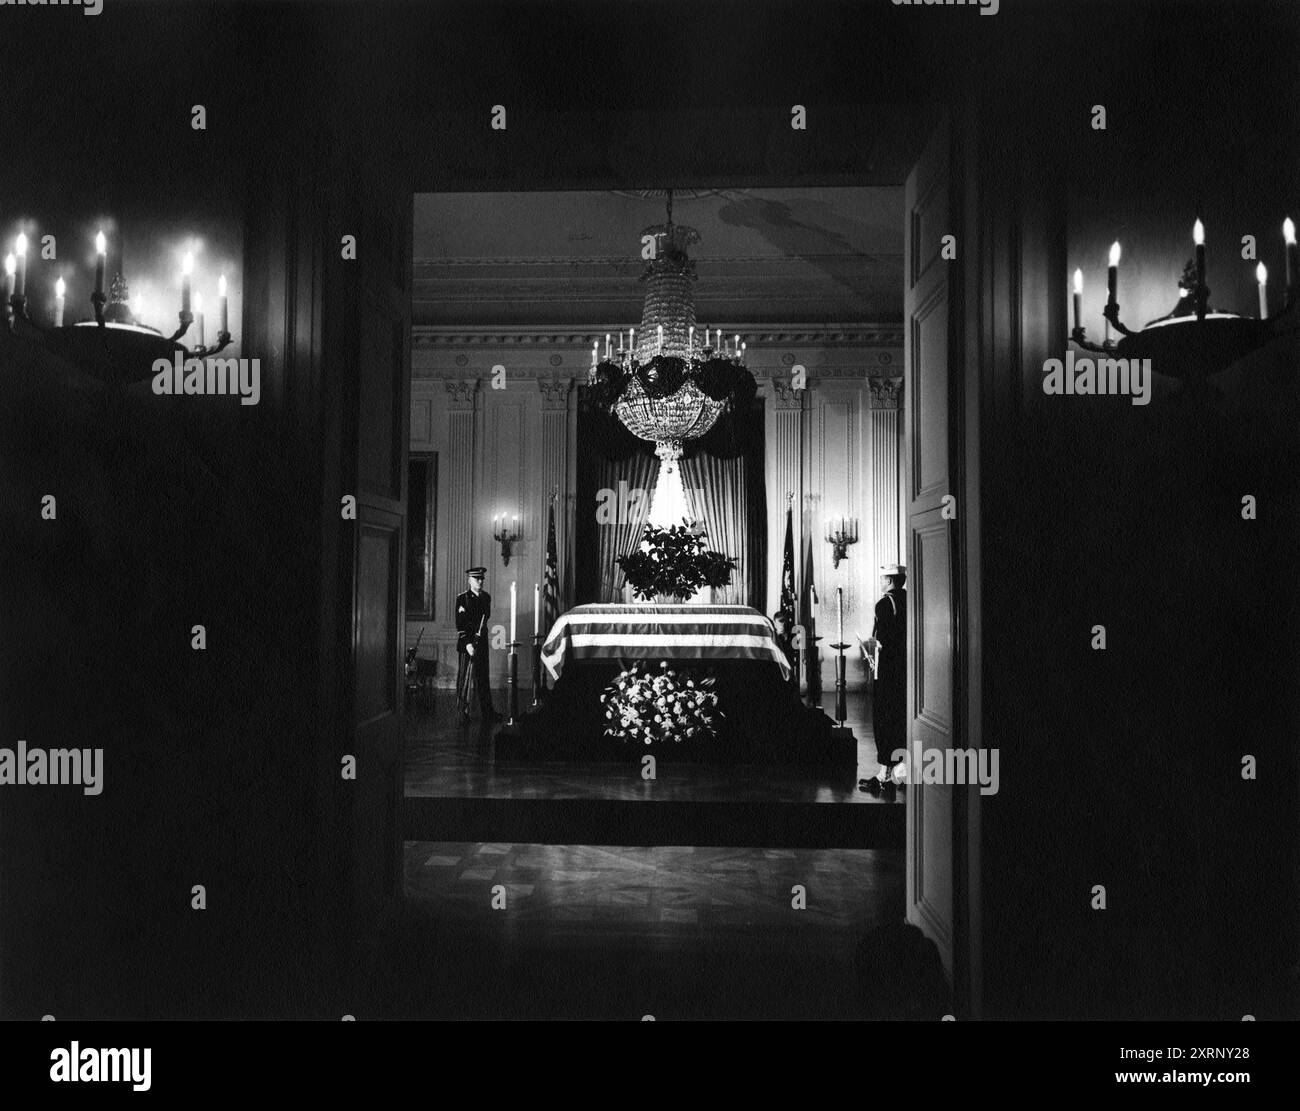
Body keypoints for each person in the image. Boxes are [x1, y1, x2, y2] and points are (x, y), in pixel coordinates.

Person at [862, 563, 907, 797]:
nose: (880, 584)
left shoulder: (884, 603)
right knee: (902, 717)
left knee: (883, 719)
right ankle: (901, 771)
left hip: (887, 672)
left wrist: (871, 653)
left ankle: (884, 774)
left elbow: (882, 640)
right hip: (907, 670)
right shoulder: (911, 599)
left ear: (889, 581)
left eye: (882, 580)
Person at [454, 566, 500, 723]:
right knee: (464, 679)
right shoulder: (462, 598)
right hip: (467, 644)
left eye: (481, 579)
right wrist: (468, 644)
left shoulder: (486, 597)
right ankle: (463, 712)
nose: (480, 581)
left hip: (481, 643)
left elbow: (485, 619)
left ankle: (488, 712)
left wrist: (477, 642)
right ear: (469, 580)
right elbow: (460, 624)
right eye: (476, 579)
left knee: (483, 678)